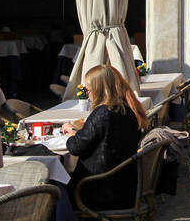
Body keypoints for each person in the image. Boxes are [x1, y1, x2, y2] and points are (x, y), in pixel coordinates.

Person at [60, 64, 143, 211]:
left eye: (88, 89)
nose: (87, 93)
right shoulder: (127, 110)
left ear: (97, 89)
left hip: (99, 188)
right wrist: (77, 133)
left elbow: (75, 147)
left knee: (57, 185)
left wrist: (71, 133)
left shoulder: (103, 113)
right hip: (125, 184)